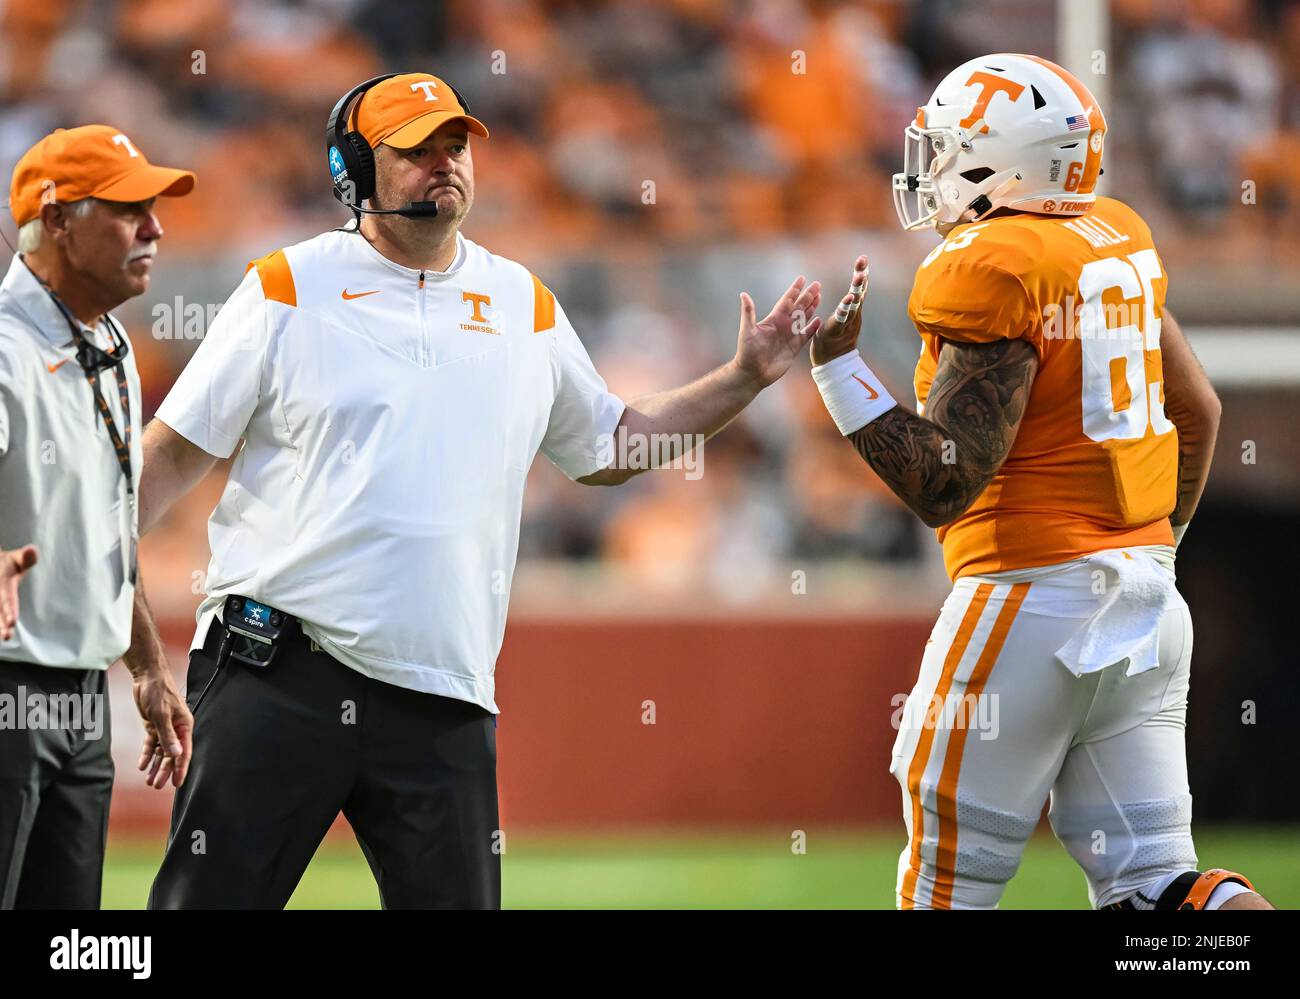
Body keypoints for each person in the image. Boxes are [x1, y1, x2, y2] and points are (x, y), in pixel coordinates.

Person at [138, 72, 822, 909]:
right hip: (280, 670)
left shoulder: (523, 301)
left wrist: (744, 379)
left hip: (444, 688)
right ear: (352, 166)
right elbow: (172, 454)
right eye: (415, 149)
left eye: (455, 144)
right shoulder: (286, 286)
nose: (444, 163)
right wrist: (92, 568)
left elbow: (609, 445)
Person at [810, 53, 1272, 910]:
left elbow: (944, 483)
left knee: (945, 884)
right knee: (1161, 885)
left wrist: (840, 375)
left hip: (1025, 594)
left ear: (994, 163)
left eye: (947, 149)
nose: (932, 169)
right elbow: (1198, 408)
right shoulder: (1116, 236)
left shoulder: (994, 263)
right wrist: (1155, 551)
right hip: (1148, 604)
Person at [0, 124, 196, 908]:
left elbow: (109, 522)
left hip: (79, 698)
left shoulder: (110, 344)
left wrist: (146, 664)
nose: (155, 228)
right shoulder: (8, 349)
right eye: (127, 209)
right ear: (55, 221)